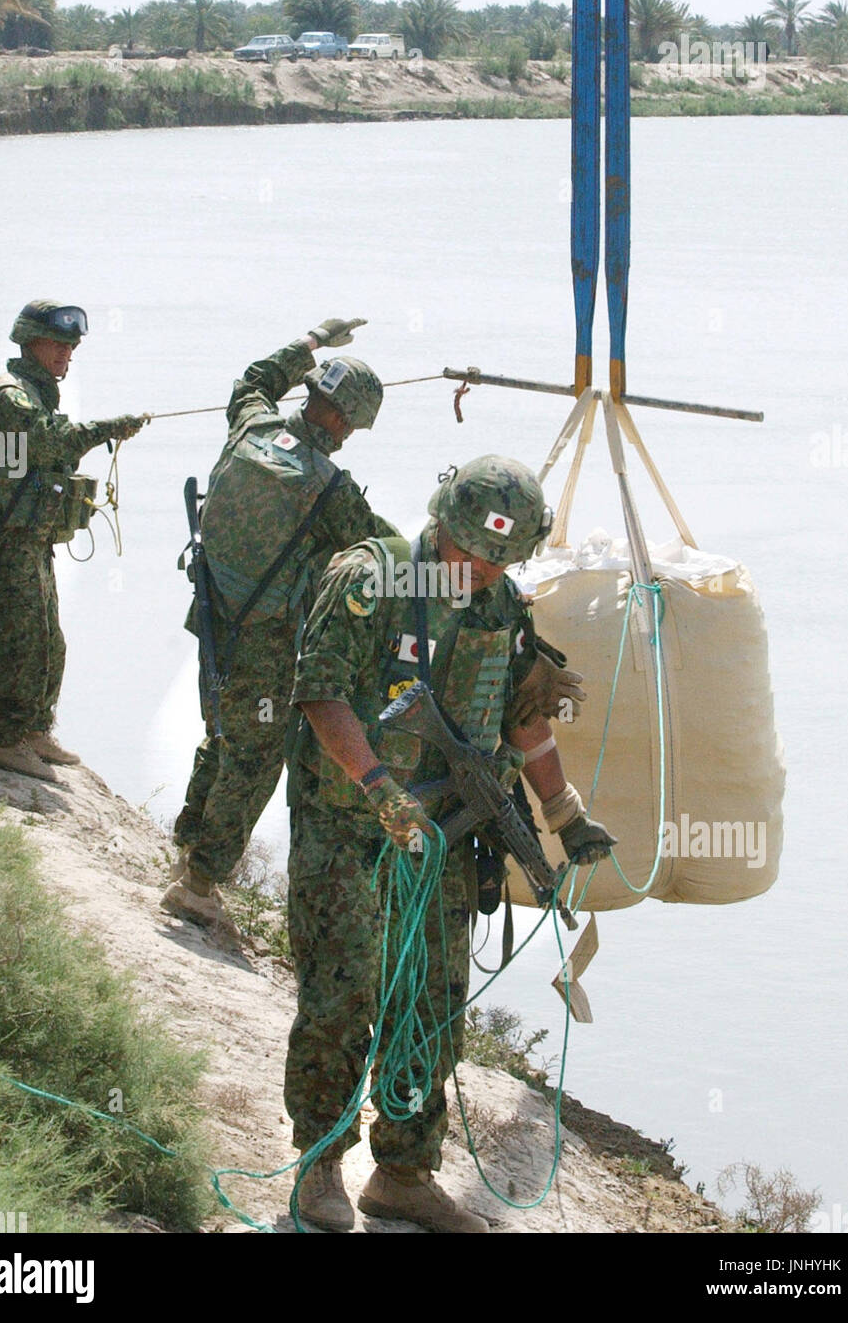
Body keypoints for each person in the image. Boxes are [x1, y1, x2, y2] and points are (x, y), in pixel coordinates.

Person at [284, 454, 614, 1233]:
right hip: (352, 829)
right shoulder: (372, 579)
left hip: (444, 841)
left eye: (500, 558)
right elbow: (321, 695)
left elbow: (523, 715)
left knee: (430, 1006)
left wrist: (565, 812)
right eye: (471, 553)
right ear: (441, 527)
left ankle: (402, 1171)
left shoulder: (501, 603)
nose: (481, 570)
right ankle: (320, 1164)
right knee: (341, 998)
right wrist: (380, 792)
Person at [163, 318, 398, 937]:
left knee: (222, 724)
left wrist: (314, 338)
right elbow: (387, 553)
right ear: (343, 422)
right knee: (257, 754)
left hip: (213, 617)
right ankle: (199, 885)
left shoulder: (252, 423)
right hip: (267, 641)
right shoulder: (329, 488)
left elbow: (254, 378)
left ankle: (189, 839)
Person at [0, 300, 148, 783]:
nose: (67, 354)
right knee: (21, 639)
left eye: (71, 346)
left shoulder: (36, 393)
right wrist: (106, 428)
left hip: (29, 538)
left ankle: (35, 729)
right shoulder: (9, 395)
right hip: (4, 541)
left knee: (49, 639)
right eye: (58, 345)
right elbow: (45, 442)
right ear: (30, 342)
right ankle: (5, 741)